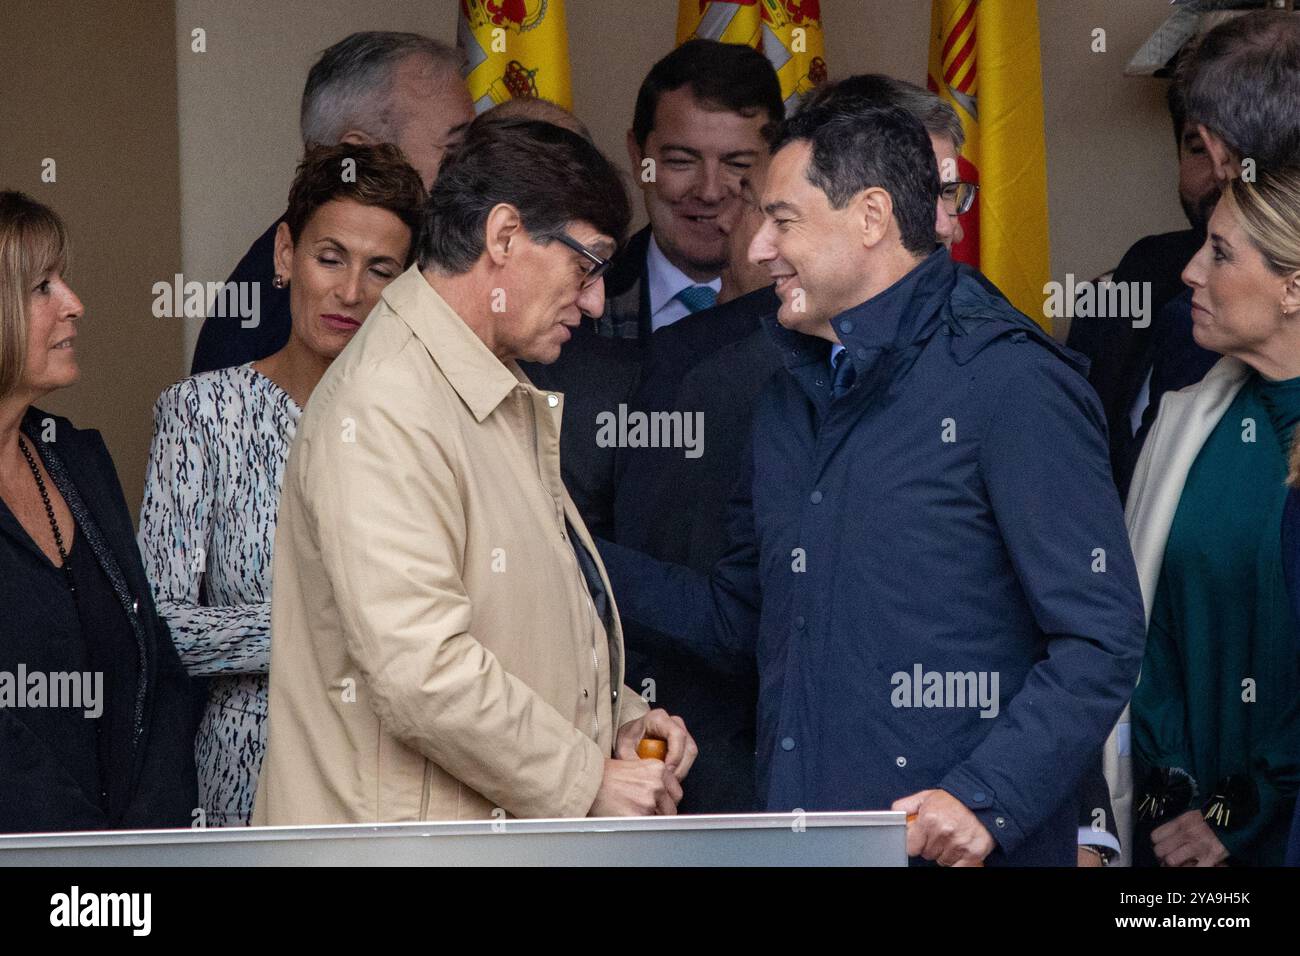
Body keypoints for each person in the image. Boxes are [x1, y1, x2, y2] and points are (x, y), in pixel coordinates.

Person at [596, 100, 1146, 866]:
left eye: (782, 220)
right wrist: (574, 559)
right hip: (809, 845)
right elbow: (743, 619)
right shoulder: (791, 391)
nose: (757, 246)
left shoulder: (1010, 382)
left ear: (871, 217)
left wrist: (987, 798)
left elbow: (1101, 635)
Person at [253, 117, 696, 826]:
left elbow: (526, 624)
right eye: (586, 266)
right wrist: (587, 780)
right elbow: (420, 671)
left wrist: (622, 724)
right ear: (503, 236)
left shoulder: (482, 377)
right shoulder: (389, 398)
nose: (592, 302)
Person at [607, 74, 979, 818]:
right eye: (915, 194)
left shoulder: (998, 362)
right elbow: (713, 616)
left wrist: (1075, 823)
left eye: (947, 195)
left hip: (958, 813)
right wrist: (561, 548)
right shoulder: (720, 373)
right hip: (755, 799)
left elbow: (1055, 621)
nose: (940, 225)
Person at [137, 144, 425, 827]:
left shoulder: (422, 423)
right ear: (286, 255)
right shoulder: (201, 412)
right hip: (249, 771)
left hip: (402, 770)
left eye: (380, 270)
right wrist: (326, 629)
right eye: (331, 258)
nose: (350, 292)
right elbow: (159, 627)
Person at [0, 191, 197, 833]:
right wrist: (83, 854)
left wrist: (143, 838)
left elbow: (156, 665)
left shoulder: (76, 459)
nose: (74, 303)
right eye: (42, 287)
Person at [1125, 167, 1300, 867]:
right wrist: (1176, 796)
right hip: (1177, 836)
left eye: (1221, 253)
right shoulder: (1188, 420)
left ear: (1294, 287)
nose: (1192, 271)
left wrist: (1244, 814)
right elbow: (1144, 623)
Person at [190, 31, 473, 375]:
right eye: (455, 151)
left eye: (380, 270)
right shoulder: (263, 329)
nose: (473, 171)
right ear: (359, 152)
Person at [1112, 12, 1300, 500]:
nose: (1194, 273)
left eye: (1220, 253)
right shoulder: (1162, 279)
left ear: (1217, 152)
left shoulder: (1196, 321)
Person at [595, 39, 783, 347]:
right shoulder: (585, 294)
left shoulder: (810, 304)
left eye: (737, 164)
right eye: (681, 161)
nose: (709, 192)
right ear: (639, 158)